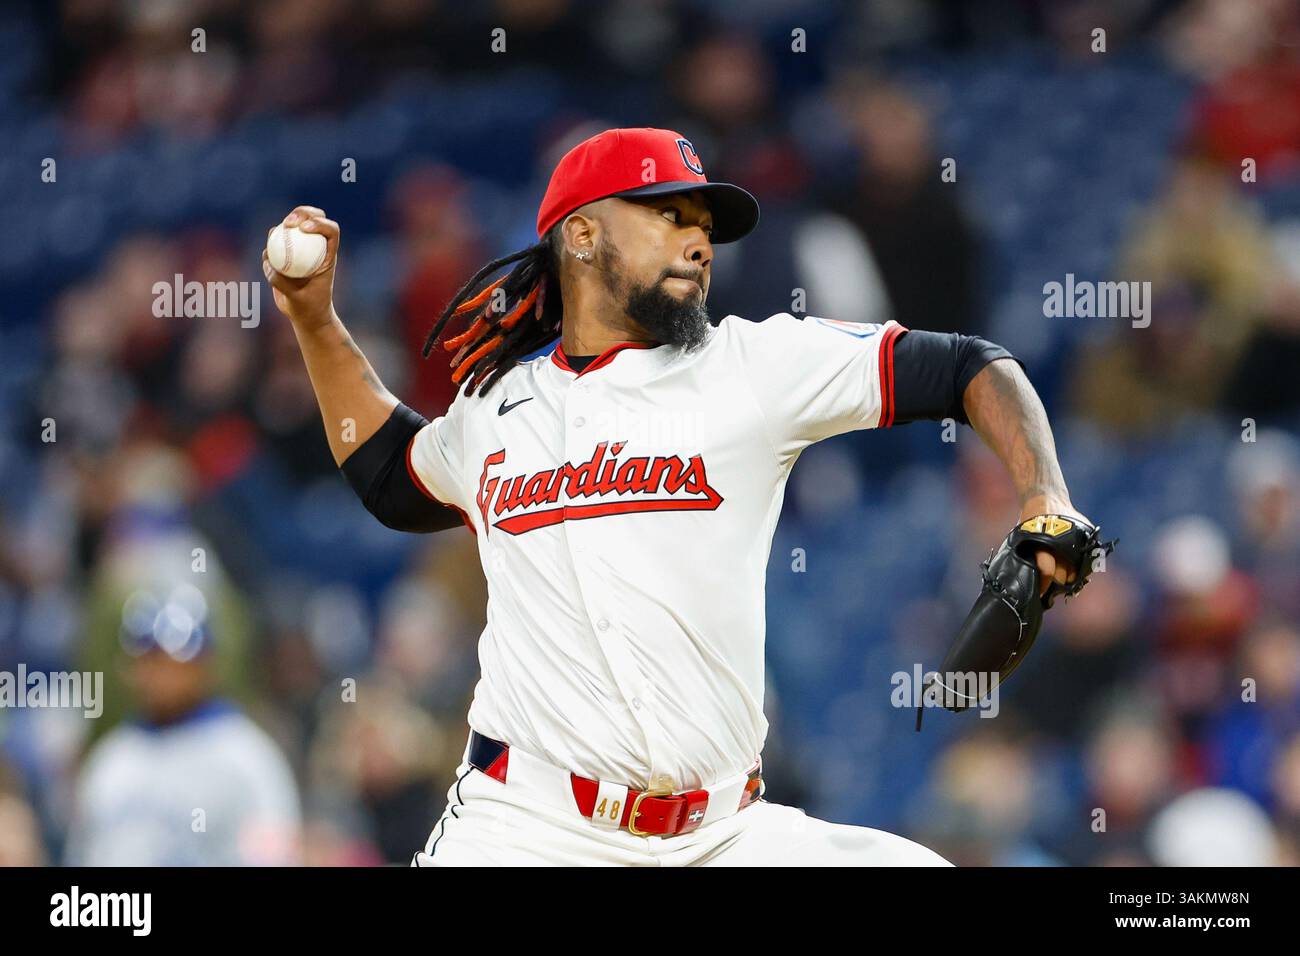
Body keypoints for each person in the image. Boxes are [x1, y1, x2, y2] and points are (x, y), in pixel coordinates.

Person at [265, 127, 1094, 866]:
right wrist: (314, 318)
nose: (699, 241)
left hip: (725, 832)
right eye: (668, 214)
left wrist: (1042, 494)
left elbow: (966, 365)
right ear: (582, 235)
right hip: (530, 828)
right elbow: (389, 474)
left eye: (704, 225)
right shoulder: (494, 409)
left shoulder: (751, 367)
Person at [66, 587, 301, 866]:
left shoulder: (246, 757)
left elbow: (274, 858)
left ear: (205, 665)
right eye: (152, 659)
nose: (163, 675)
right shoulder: (111, 761)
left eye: (176, 662)